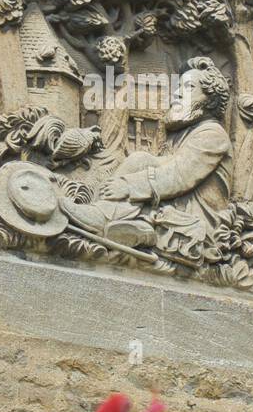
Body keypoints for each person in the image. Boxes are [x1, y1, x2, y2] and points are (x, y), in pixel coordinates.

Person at [63, 56, 232, 264]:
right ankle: (105, 214)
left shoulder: (213, 135)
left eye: (188, 87)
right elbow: (160, 166)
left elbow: (179, 176)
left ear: (210, 100)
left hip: (195, 220)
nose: (177, 93)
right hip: (171, 205)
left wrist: (128, 186)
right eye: (179, 86)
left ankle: (107, 219)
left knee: (141, 171)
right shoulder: (184, 133)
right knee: (140, 159)